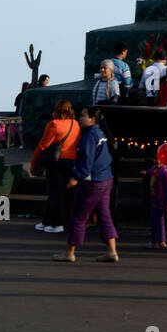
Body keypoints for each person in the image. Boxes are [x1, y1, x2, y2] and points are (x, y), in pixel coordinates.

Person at [54, 105, 118, 263]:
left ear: (92, 118)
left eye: (83, 115)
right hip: (106, 178)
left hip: (92, 181)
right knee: (104, 216)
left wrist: (76, 177)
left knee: (78, 216)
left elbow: (87, 160)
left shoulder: (89, 136)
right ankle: (111, 251)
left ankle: (70, 252)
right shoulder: (101, 133)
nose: (80, 118)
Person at [31, 100, 79, 234]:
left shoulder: (54, 124)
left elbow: (43, 145)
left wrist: (34, 162)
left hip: (56, 162)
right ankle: (46, 221)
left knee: (54, 193)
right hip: (71, 161)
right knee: (59, 193)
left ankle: (56, 224)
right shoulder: (75, 124)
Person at [144, 144, 167, 248]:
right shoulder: (155, 169)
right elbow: (150, 171)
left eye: (159, 159)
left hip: (161, 200)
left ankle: (155, 241)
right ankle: (161, 241)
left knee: (155, 220)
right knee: (159, 221)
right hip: (155, 198)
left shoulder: (164, 172)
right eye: (155, 159)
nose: (156, 161)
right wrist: (145, 173)